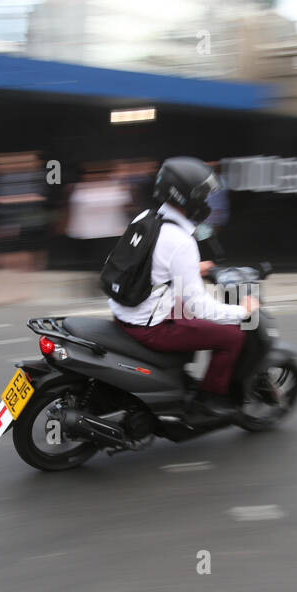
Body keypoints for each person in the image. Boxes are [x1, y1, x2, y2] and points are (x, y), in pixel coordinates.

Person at [109, 157, 260, 418]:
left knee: (187, 315)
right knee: (233, 336)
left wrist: (192, 268)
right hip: (149, 325)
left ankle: (176, 379)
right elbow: (199, 307)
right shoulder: (180, 241)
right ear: (186, 197)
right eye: (203, 196)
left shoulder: (147, 218)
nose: (206, 204)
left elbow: (140, 262)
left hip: (127, 311)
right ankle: (209, 398)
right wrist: (242, 311)